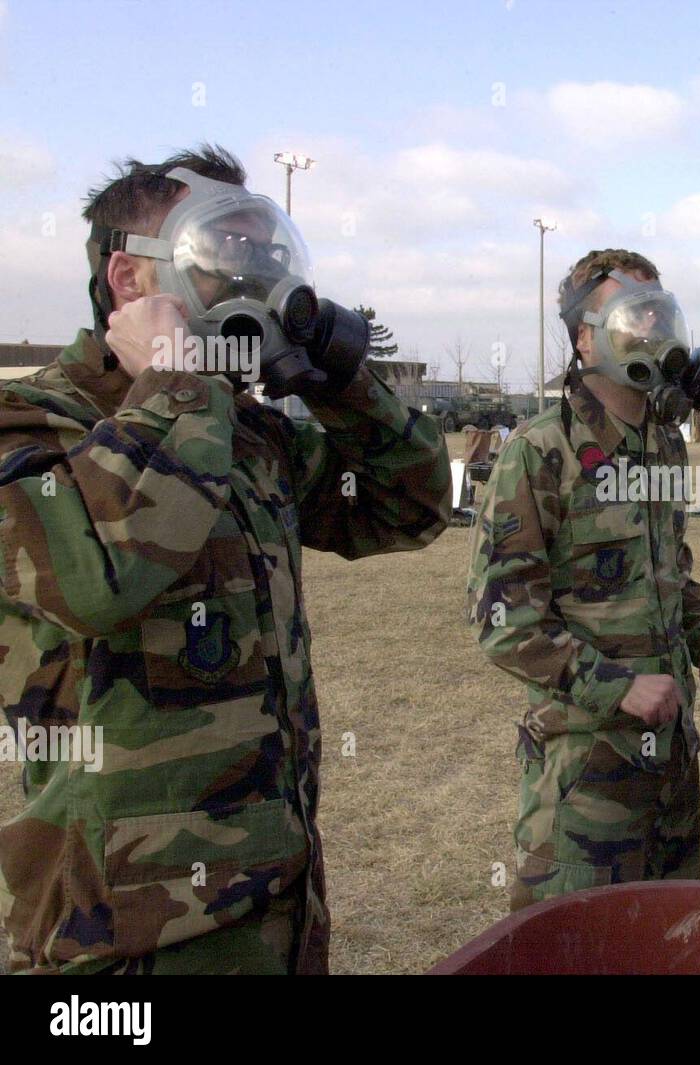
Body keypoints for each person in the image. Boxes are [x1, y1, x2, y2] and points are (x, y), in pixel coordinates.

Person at [0, 146, 452, 974]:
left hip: (277, 907)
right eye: (228, 256)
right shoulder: (32, 427)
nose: (256, 282)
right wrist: (174, 379)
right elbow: (101, 577)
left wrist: (339, 379)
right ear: (133, 280)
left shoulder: (241, 431)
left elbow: (411, 505)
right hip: (123, 939)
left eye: (266, 257)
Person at [466, 249, 700, 911]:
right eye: (635, 310)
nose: (652, 323)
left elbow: (671, 575)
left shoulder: (663, 444)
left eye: (660, 309)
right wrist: (614, 686)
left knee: (667, 940)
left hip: (670, 765)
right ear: (585, 335)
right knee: (576, 947)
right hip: (584, 774)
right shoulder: (539, 451)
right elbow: (502, 618)